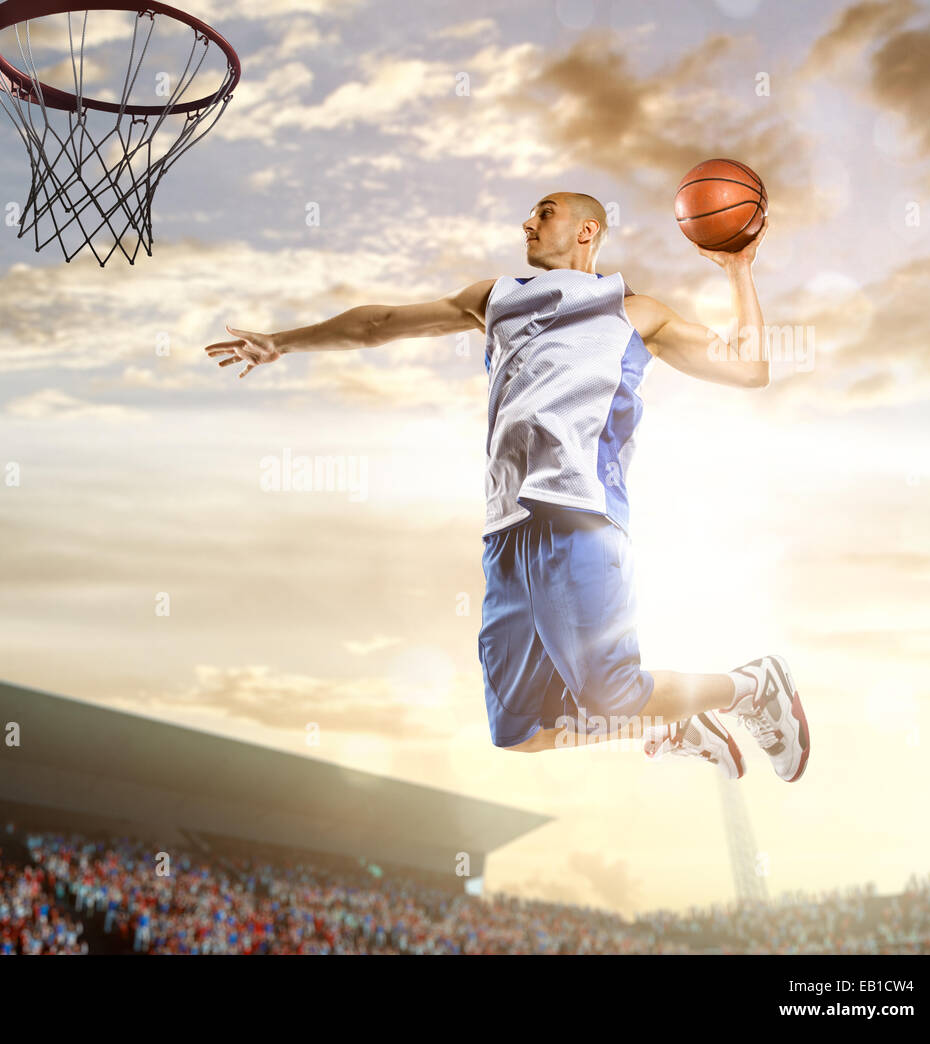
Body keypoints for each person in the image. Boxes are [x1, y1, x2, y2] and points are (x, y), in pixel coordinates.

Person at [204, 192, 808, 782]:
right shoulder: (494, 298)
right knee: (518, 733)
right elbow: (378, 324)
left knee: (614, 690)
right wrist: (280, 342)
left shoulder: (633, 311)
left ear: (587, 231)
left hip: (580, 513)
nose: (527, 224)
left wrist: (739, 268)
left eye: (544, 213)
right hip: (505, 527)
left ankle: (753, 686)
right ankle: (670, 724)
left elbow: (750, 367)